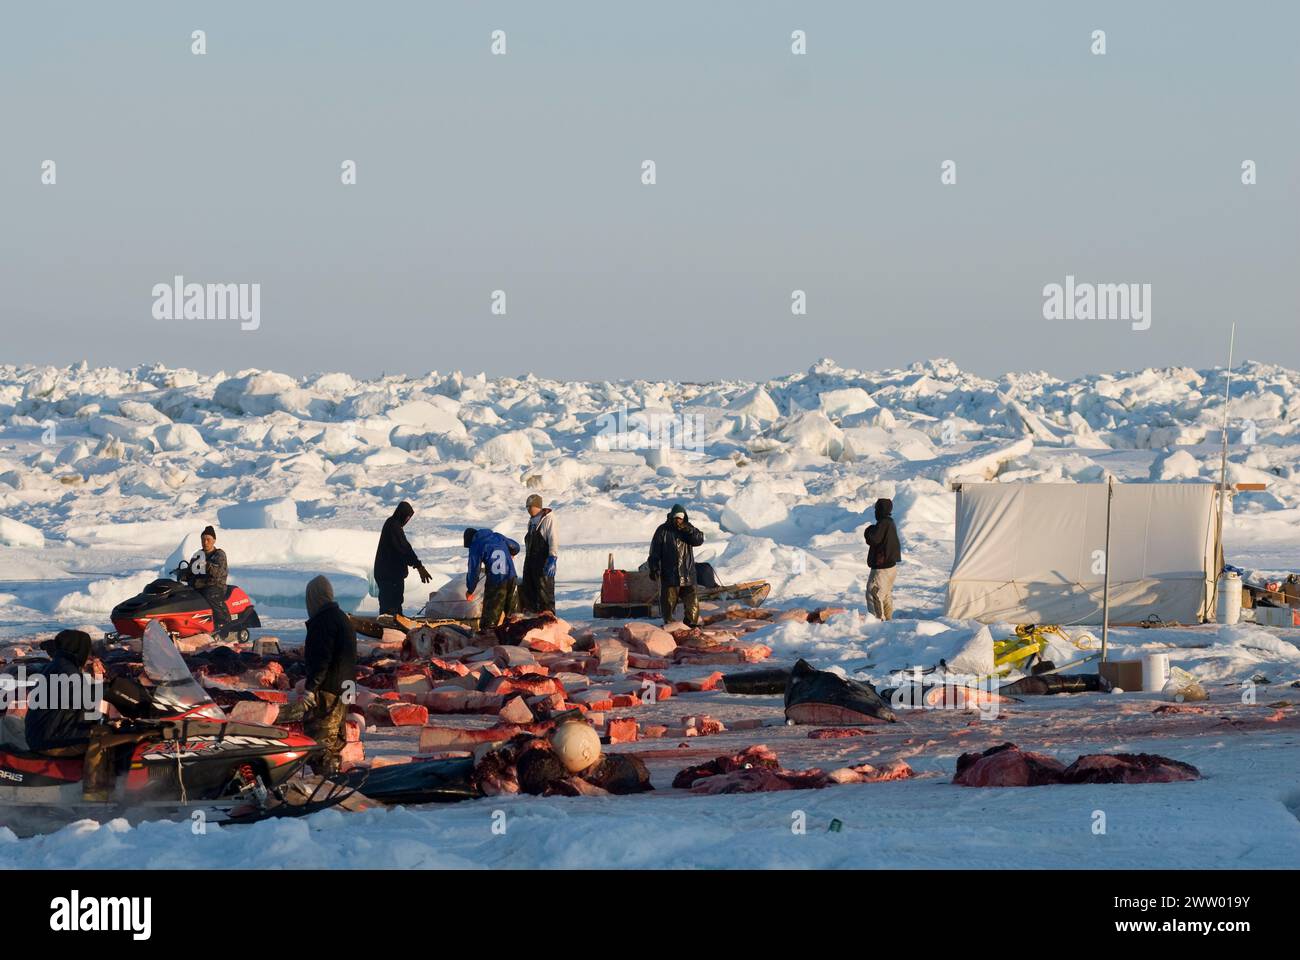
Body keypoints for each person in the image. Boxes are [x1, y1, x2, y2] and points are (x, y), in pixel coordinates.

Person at [301, 575, 356, 775]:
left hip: (330, 689)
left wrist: (310, 688)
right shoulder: (341, 617)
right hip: (346, 687)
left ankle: (326, 785)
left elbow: (321, 659)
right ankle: (333, 783)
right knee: (335, 740)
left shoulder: (323, 621)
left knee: (321, 740)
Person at [24, 630, 97, 754]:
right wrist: (111, 690)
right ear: (79, 649)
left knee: (101, 729)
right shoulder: (67, 670)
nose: (89, 655)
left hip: (46, 733)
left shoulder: (58, 665)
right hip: (51, 739)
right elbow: (81, 695)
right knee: (103, 742)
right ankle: (99, 774)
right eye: (87, 649)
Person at [647, 503, 705, 627]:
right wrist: (654, 568)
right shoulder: (663, 530)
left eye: (681, 517)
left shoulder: (688, 529)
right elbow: (654, 551)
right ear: (672, 516)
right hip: (669, 573)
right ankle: (669, 623)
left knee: (692, 601)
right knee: (668, 601)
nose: (678, 520)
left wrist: (689, 529)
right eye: (676, 517)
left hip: (687, 572)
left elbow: (699, 540)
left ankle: (691, 624)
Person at [373, 501, 431, 616]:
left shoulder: (393, 524)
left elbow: (403, 549)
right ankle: (389, 627)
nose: (407, 520)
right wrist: (419, 566)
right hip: (389, 575)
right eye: (407, 517)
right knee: (390, 606)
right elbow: (404, 548)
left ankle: (396, 623)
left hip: (390, 574)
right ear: (402, 514)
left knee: (394, 604)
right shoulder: (393, 525)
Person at [464, 527, 520, 629]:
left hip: (496, 583)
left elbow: (474, 571)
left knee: (489, 621)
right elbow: (516, 546)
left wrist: (470, 590)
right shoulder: (498, 536)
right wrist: (512, 552)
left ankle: (487, 641)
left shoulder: (476, 545)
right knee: (513, 618)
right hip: (512, 578)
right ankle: (514, 641)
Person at [187, 525, 230, 635]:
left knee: (209, 594)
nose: (205, 542)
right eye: (203, 539)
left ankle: (223, 621)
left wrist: (207, 565)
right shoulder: (198, 555)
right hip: (199, 585)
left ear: (214, 540)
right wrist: (183, 572)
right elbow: (191, 570)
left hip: (215, 586)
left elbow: (219, 572)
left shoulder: (219, 554)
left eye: (208, 539)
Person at [519, 494, 558, 614]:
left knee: (544, 595)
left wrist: (552, 557)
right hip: (530, 562)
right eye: (527, 507)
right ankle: (532, 621)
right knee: (530, 594)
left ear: (538, 506)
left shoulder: (548, 519)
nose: (528, 510)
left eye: (530, 507)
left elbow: (553, 538)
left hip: (543, 562)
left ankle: (548, 622)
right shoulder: (531, 521)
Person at [863, 498, 901, 620]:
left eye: (876, 509)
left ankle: (878, 622)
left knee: (873, 592)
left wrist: (868, 530)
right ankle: (889, 621)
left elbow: (874, 538)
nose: (875, 512)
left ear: (880, 510)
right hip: (890, 567)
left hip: (882, 568)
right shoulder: (890, 522)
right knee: (884, 595)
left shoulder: (884, 523)